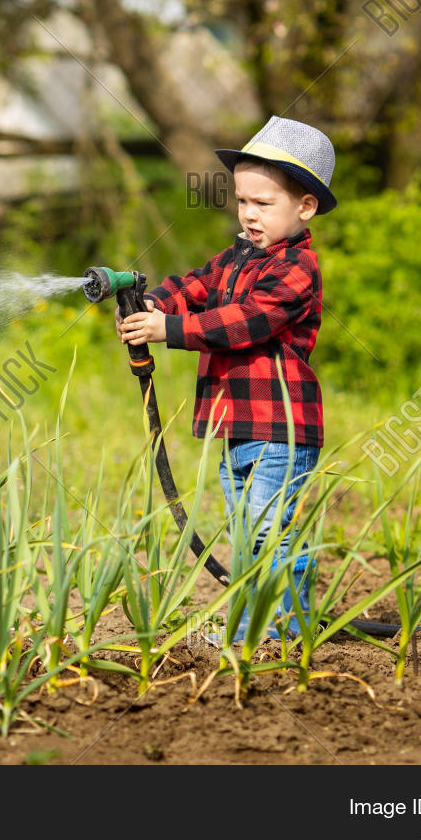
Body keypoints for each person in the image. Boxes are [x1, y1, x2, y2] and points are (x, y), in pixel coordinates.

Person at [115, 116, 336, 643]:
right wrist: (151, 302)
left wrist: (168, 329)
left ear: (304, 207)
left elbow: (244, 323)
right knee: (246, 534)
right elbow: (192, 286)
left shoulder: (296, 269)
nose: (249, 214)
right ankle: (251, 631)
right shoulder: (236, 256)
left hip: (280, 427)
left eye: (264, 204)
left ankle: (283, 631)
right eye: (243, 201)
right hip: (237, 426)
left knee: (270, 535)